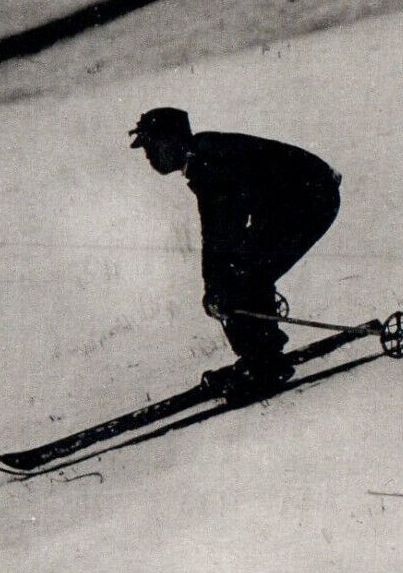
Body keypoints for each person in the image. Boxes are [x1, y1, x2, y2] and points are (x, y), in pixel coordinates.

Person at [129, 107, 342, 398]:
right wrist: (213, 286)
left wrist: (217, 288)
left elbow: (224, 230)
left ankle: (264, 365)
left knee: (242, 274)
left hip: (311, 199)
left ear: (173, 140)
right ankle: (259, 358)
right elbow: (215, 232)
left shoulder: (210, 162)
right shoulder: (201, 157)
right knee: (238, 273)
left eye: (152, 146)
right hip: (292, 199)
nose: (149, 156)